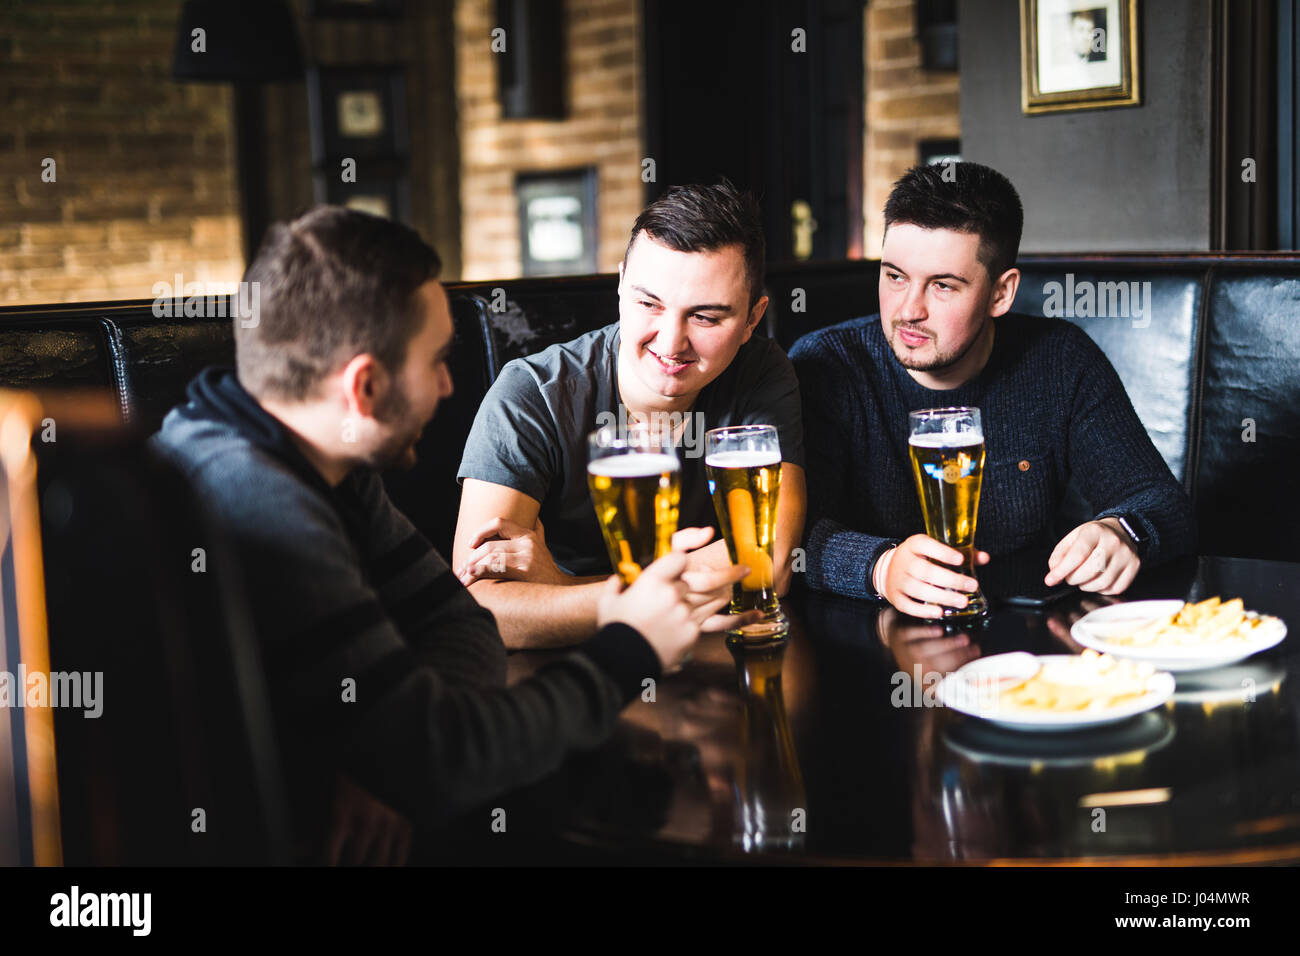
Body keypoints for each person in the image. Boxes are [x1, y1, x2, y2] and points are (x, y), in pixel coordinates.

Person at [151, 206, 745, 862]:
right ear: (366, 387)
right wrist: (630, 650)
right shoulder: (256, 496)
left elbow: (461, 625)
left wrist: (393, 755)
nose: (448, 385)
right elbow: (445, 757)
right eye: (435, 360)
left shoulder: (323, 461)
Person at [788, 162, 1195, 617]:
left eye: (943, 286)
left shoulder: (1060, 360)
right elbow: (786, 540)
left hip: (1022, 644)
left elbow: (1163, 502)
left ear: (1001, 293)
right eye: (895, 276)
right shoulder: (827, 364)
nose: (908, 310)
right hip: (864, 648)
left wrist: (1125, 532)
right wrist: (880, 567)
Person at [453, 182, 807, 647]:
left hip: (706, 663)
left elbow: (770, 566)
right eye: (648, 304)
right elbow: (478, 608)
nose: (670, 342)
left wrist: (560, 589)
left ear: (752, 320)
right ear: (620, 286)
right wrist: (635, 603)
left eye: (705, 317)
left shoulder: (761, 371)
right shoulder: (531, 394)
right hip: (573, 679)